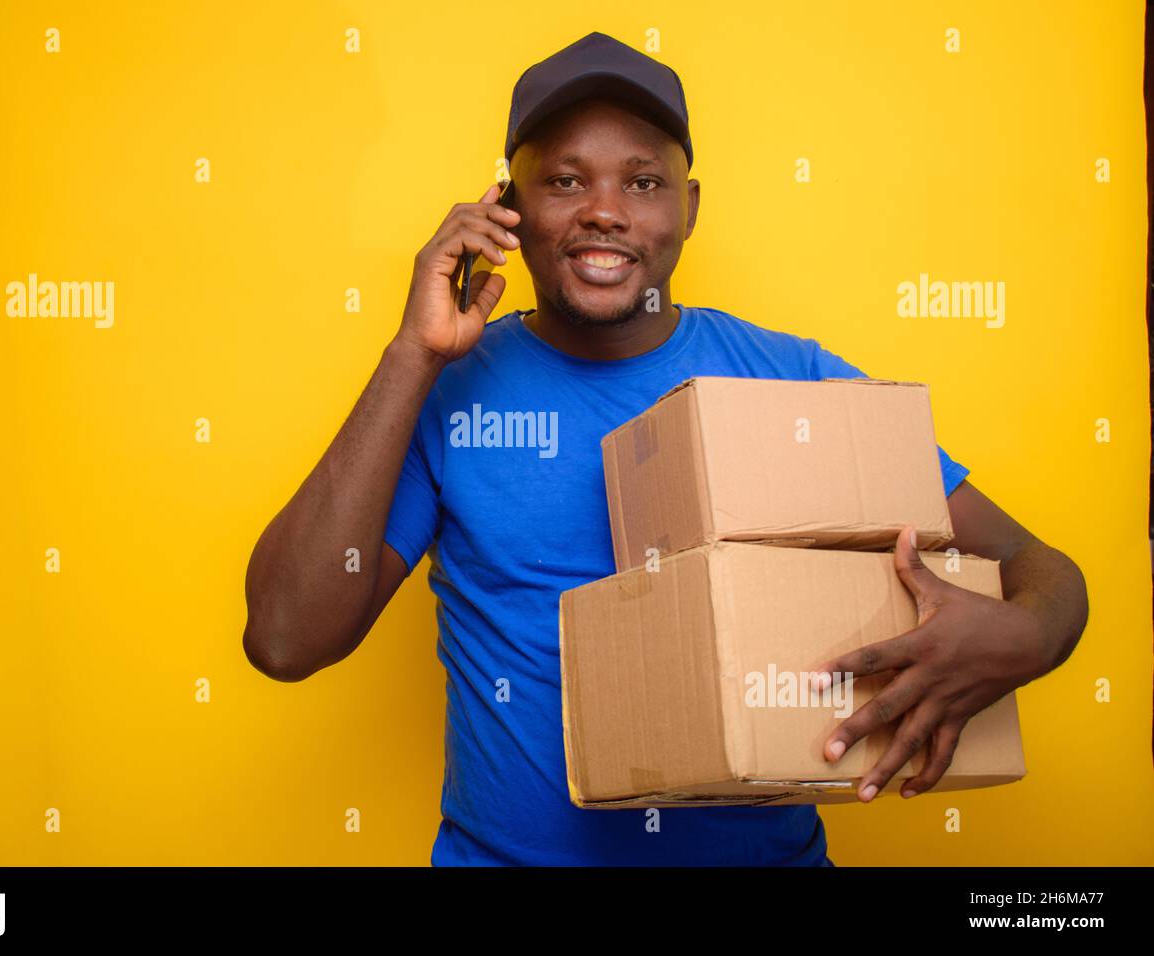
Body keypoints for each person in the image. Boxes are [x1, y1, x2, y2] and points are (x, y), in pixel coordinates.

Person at [241, 32, 1088, 865]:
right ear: (506, 207)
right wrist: (411, 356)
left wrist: (1028, 638)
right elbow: (284, 640)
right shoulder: (447, 391)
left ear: (689, 205)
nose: (603, 210)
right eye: (564, 181)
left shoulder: (791, 381)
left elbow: (1040, 568)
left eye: (642, 182)